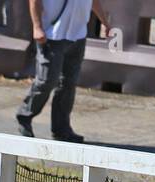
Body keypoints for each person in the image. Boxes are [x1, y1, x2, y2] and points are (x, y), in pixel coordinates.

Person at [16, 0, 111, 142]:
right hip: (52, 35)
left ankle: (61, 130)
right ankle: (24, 117)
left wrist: (104, 21)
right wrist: (37, 27)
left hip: (78, 35)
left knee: (68, 84)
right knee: (46, 81)